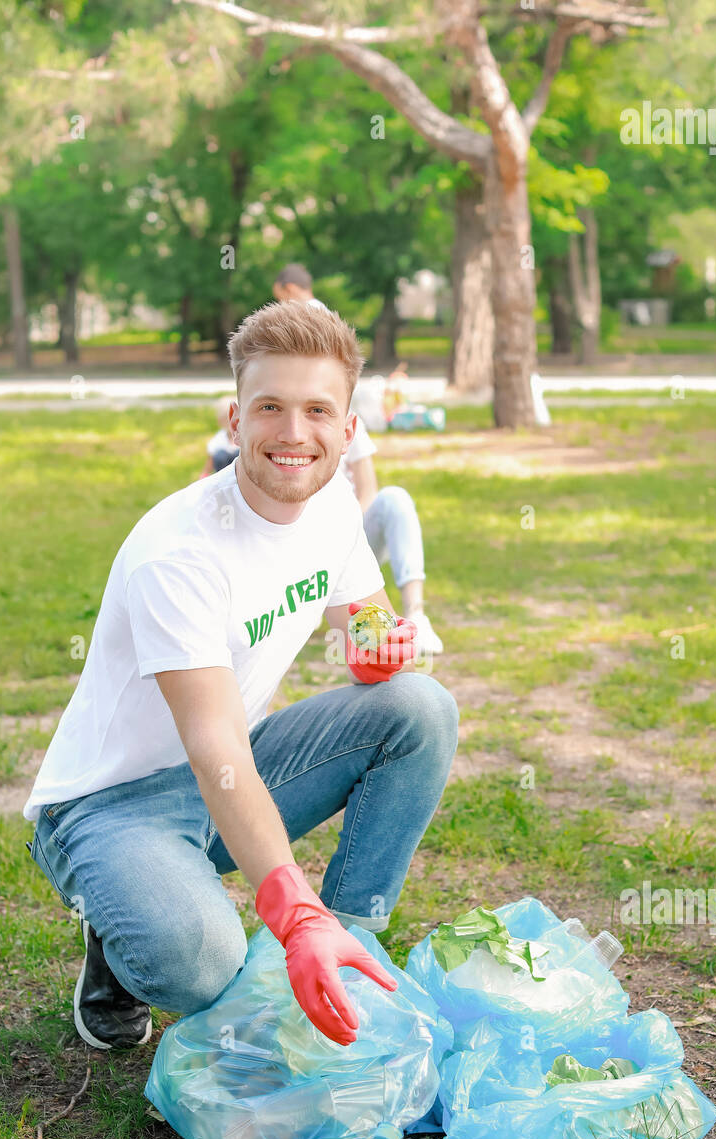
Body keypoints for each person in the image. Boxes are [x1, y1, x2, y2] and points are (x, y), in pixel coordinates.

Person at [23, 300, 459, 1053]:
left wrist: (380, 645)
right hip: (108, 806)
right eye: (271, 408)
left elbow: (363, 618)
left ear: (349, 430)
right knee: (200, 963)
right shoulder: (179, 550)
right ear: (234, 420)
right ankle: (119, 943)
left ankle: (345, 948)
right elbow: (216, 745)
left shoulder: (331, 512)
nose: (295, 434)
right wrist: (290, 909)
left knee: (419, 708)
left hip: (225, 771)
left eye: (318, 410)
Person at [272, 264, 444, 656]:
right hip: (299, 541)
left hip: (350, 534)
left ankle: (416, 614)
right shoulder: (282, 436)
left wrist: (347, 535)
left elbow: (367, 488)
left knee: (396, 498)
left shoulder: (350, 426)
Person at [200, 396, 238, 478]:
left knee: (239, 453)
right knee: (220, 455)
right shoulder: (219, 439)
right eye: (227, 419)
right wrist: (204, 475)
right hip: (223, 475)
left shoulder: (245, 437)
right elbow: (210, 460)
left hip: (242, 475)